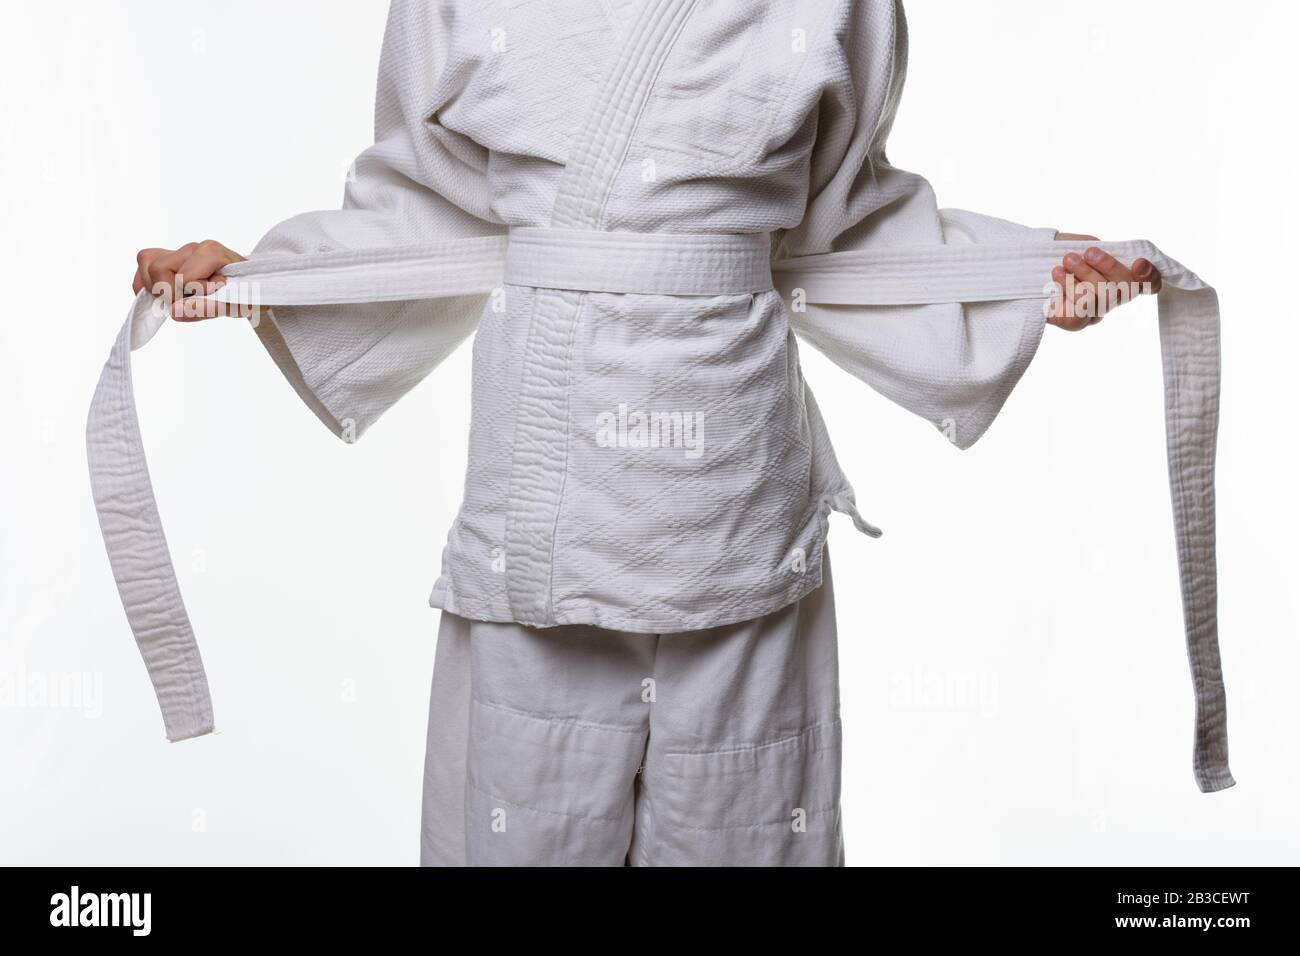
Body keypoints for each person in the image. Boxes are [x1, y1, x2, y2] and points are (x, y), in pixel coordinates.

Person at [125, 0, 1164, 866]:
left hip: (739, 516)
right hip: (543, 519)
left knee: (753, 833)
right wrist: (264, 278)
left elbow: (843, 225)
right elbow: (425, 209)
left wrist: (1030, 275)